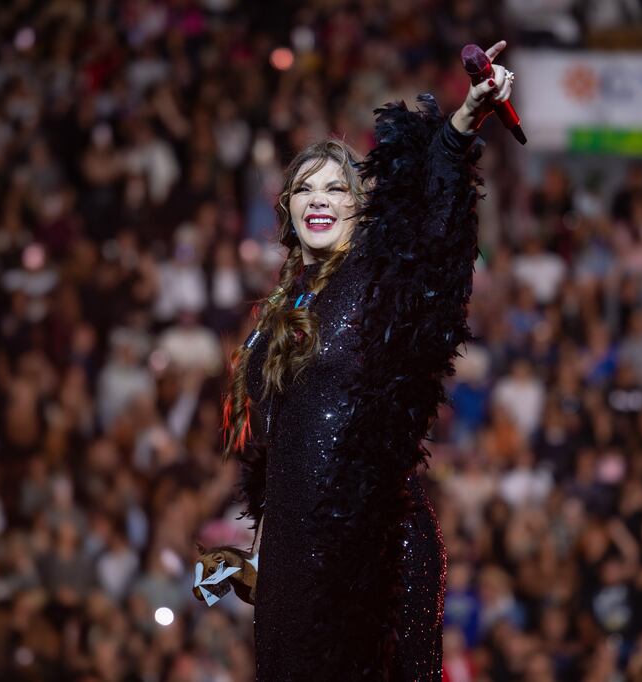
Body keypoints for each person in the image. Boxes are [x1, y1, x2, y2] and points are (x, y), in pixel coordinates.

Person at [217, 40, 515, 680]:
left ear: (359, 206)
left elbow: (430, 218)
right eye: (304, 188)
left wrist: (463, 121)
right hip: (292, 562)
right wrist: (259, 561)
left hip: (371, 546)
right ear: (288, 210)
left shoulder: (378, 277)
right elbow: (272, 466)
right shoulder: (274, 320)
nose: (318, 199)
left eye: (335, 187)